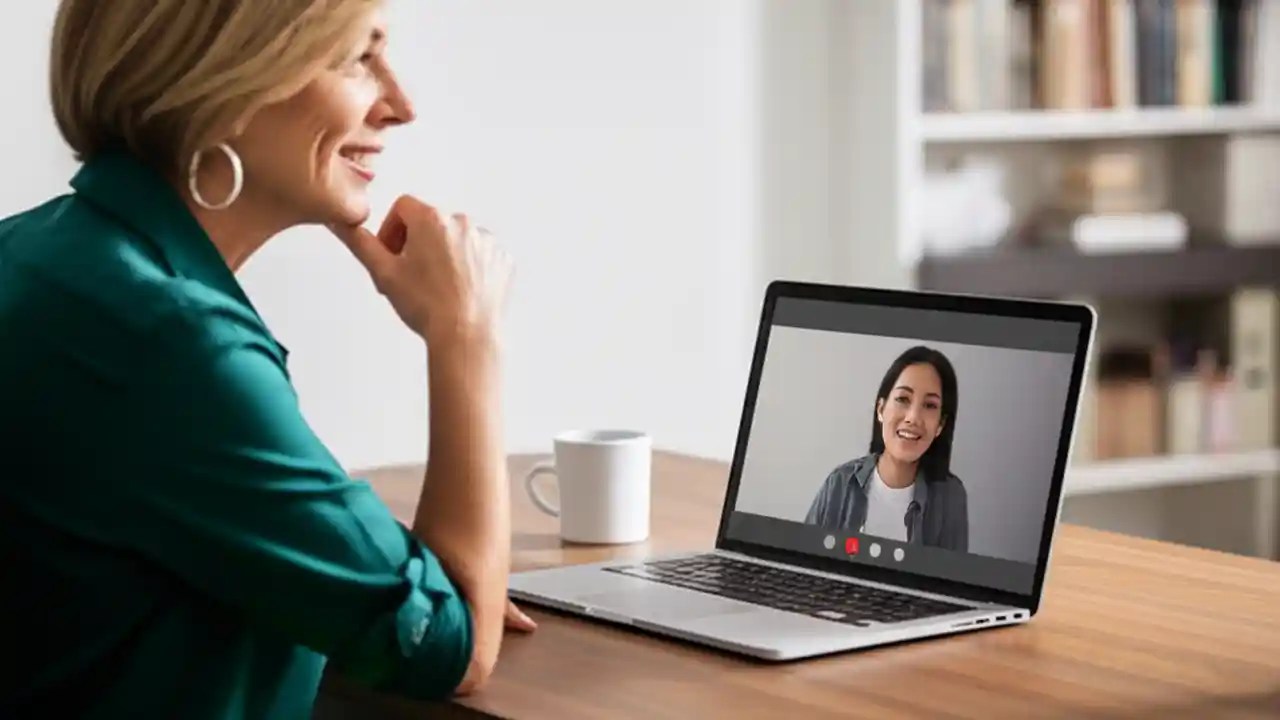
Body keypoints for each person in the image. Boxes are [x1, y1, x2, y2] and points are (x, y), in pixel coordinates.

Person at [0, 1, 535, 716]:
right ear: (222, 84)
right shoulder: (173, 341)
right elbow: (452, 649)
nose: (400, 107)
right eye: (356, 58)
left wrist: (384, 570)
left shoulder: (37, 257)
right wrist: (466, 333)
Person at [804, 346, 969, 552]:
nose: (913, 417)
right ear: (881, 409)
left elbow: (950, 580)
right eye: (903, 399)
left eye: (929, 405)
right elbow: (803, 562)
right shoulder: (839, 484)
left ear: (940, 425)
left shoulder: (951, 498)